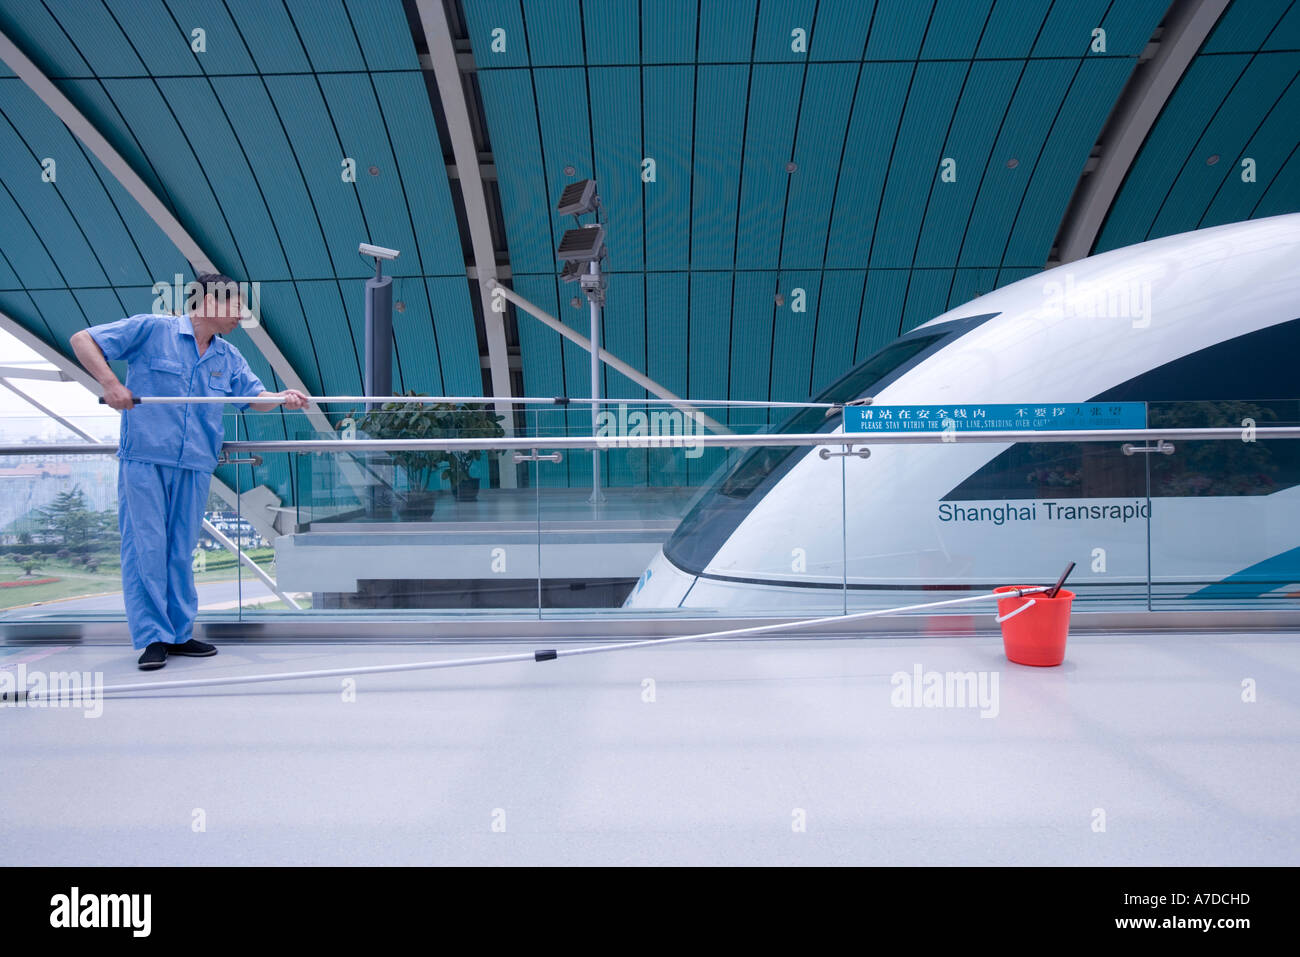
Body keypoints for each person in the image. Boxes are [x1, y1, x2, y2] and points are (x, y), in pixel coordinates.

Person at [69, 274, 309, 670]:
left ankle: (179, 634)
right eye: (235, 305)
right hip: (146, 459)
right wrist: (111, 384)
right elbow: (82, 339)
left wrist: (283, 399)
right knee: (146, 548)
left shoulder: (227, 356)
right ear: (210, 301)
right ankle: (152, 638)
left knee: (179, 552)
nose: (241, 314)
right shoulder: (151, 330)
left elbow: (253, 399)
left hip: (196, 463)